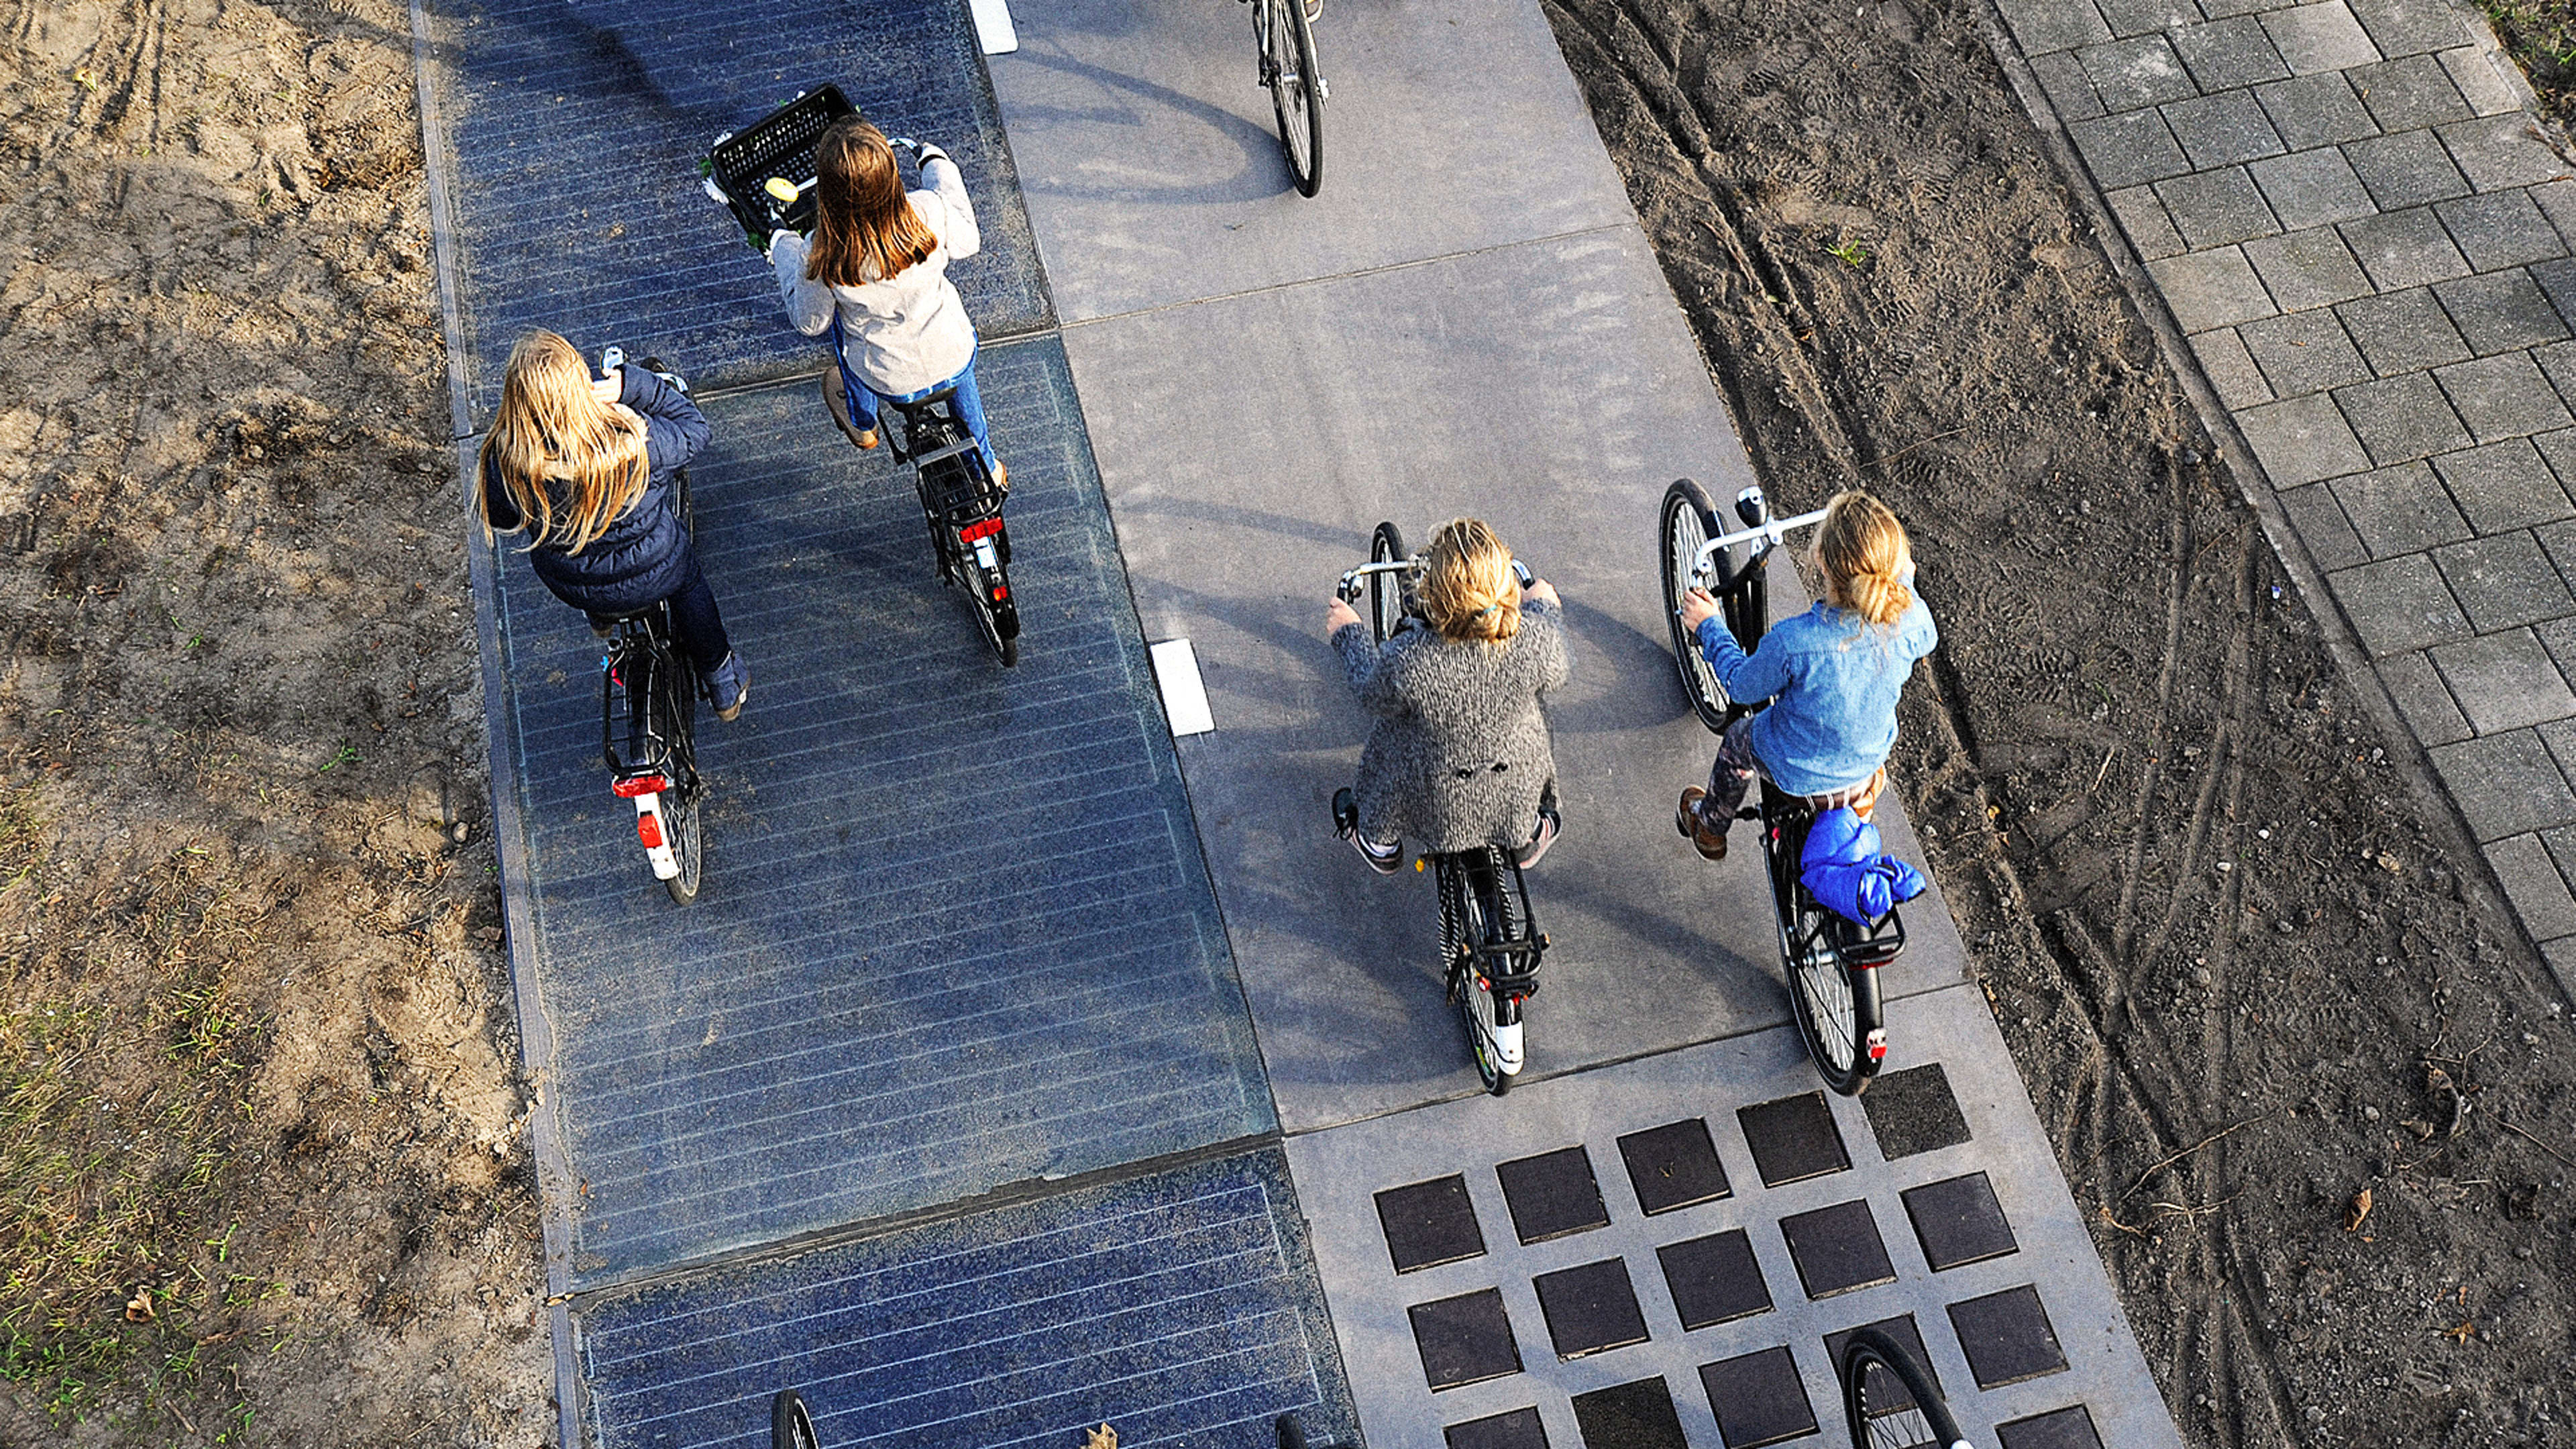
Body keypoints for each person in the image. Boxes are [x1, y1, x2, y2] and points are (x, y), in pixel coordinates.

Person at [476, 331, 749, 720]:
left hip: (572, 584)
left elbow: (504, 517)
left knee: (590, 571)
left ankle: (601, 618)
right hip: (657, 572)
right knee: (688, 584)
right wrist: (635, 387)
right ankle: (723, 682)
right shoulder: (635, 444)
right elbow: (695, 429)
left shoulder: (510, 463)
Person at [1674, 489, 1935, 859]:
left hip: (1798, 772)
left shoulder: (1794, 641)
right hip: (1865, 762)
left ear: (1822, 564)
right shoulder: (1912, 621)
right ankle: (1859, 809)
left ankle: (1710, 828)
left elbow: (1741, 686)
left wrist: (1709, 626)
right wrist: (1903, 579)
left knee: (1737, 741)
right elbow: (1921, 624)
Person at [1327, 519, 1570, 873]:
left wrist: (1349, 635)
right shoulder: (1537, 640)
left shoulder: (1410, 657)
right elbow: (1558, 672)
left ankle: (1381, 842)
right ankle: (1531, 830)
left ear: (1435, 599)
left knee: (1393, 730)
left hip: (1432, 793)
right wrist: (1546, 609)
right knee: (1533, 716)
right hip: (1513, 787)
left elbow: (1371, 694)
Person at [768, 116, 1002, 485]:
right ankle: (987, 466)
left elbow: (811, 322)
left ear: (827, 191)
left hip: (886, 375)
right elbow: (968, 241)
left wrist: (783, 244)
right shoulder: (927, 210)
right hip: (951, 350)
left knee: (842, 330)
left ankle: (863, 425)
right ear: (890, 175)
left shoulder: (822, 249)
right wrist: (936, 162)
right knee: (961, 372)